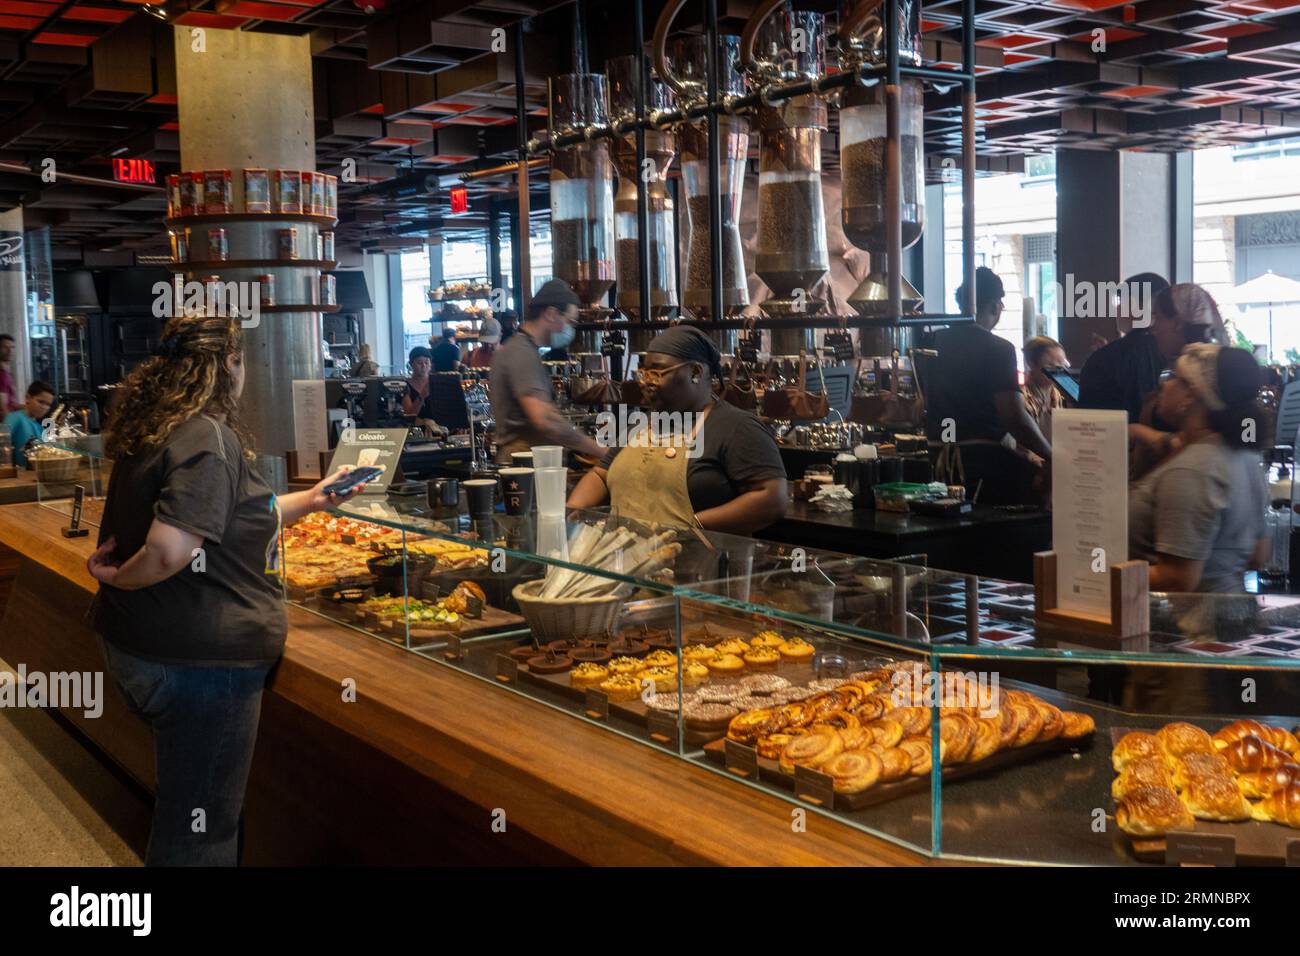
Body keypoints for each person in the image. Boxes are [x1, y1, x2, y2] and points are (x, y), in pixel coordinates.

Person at [86, 314, 368, 866]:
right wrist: (122, 575)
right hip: (199, 659)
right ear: (229, 366)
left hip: (141, 642)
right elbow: (172, 548)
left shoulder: (159, 423)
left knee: (191, 807)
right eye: (241, 362)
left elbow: (235, 513)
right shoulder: (207, 436)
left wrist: (313, 500)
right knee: (199, 828)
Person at [568, 326, 788, 534]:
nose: (646, 383)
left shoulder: (738, 427)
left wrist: (692, 526)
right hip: (629, 562)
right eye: (643, 374)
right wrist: (571, 511)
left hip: (702, 566)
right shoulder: (643, 423)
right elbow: (600, 474)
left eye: (657, 373)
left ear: (695, 371)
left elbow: (772, 499)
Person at [1128, 344, 1268, 593]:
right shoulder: (1245, 456)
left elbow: (1177, 578)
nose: (1164, 385)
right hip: (1231, 616)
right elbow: (1257, 555)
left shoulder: (1191, 470)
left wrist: (1097, 573)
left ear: (1191, 395)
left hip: (1181, 628)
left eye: (1172, 377)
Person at [924, 267, 1051, 504]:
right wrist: (1050, 454)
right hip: (983, 465)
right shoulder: (999, 349)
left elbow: (920, 405)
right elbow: (1013, 416)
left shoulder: (932, 341)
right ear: (994, 306)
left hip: (936, 460)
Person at [488, 278, 602, 463]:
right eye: (569, 321)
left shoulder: (519, 349)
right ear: (551, 314)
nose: (570, 329)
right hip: (525, 466)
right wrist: (599, 450)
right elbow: (545, 420)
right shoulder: (521, 353)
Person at [1076, 272, 1175, 422]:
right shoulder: (1175, 350)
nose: (1117, 309)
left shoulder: (1104, 359)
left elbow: (1092, 420)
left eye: (1121, 301)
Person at [1022, 336, 1068, 443]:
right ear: (1031, 363)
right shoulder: (1021, 396)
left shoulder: (1057, 394)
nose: (1058, 370)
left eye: (1062, 364)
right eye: (1050, 365)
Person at [4, 379, 54, 467]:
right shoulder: (15, 418)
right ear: (28, 398)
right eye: (41, 402)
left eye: (48, 404)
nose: (44, 407)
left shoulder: (40, 428)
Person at [401, 346, 432, 415]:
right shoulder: (405, 386)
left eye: (426, 362)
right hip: (416, 424)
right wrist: (422, 395)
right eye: (419, 363)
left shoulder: (436, 383)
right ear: (411, 364)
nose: (424, 366)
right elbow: (409, 413)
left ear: (430, 365)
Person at [0, 332, 18, 417]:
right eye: (5, 347)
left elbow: (11, 404)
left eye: (12, 347)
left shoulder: (6, 372)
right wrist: (8, 429)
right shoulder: (2, 375)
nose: (10, 351)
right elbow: (2, 409)